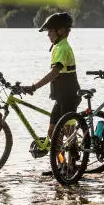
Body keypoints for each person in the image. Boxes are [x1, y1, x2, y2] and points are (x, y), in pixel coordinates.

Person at [22, 12, 80, 145]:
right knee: (52, 132)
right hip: (61, 97)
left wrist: (34, 87)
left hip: (69, 96)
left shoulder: (63, 48)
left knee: (68, 132)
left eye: (50, 30)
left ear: (61, 31)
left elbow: (54, 73)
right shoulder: (58, 47)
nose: (48, 34)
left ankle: (74, 162)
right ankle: (61, 163)